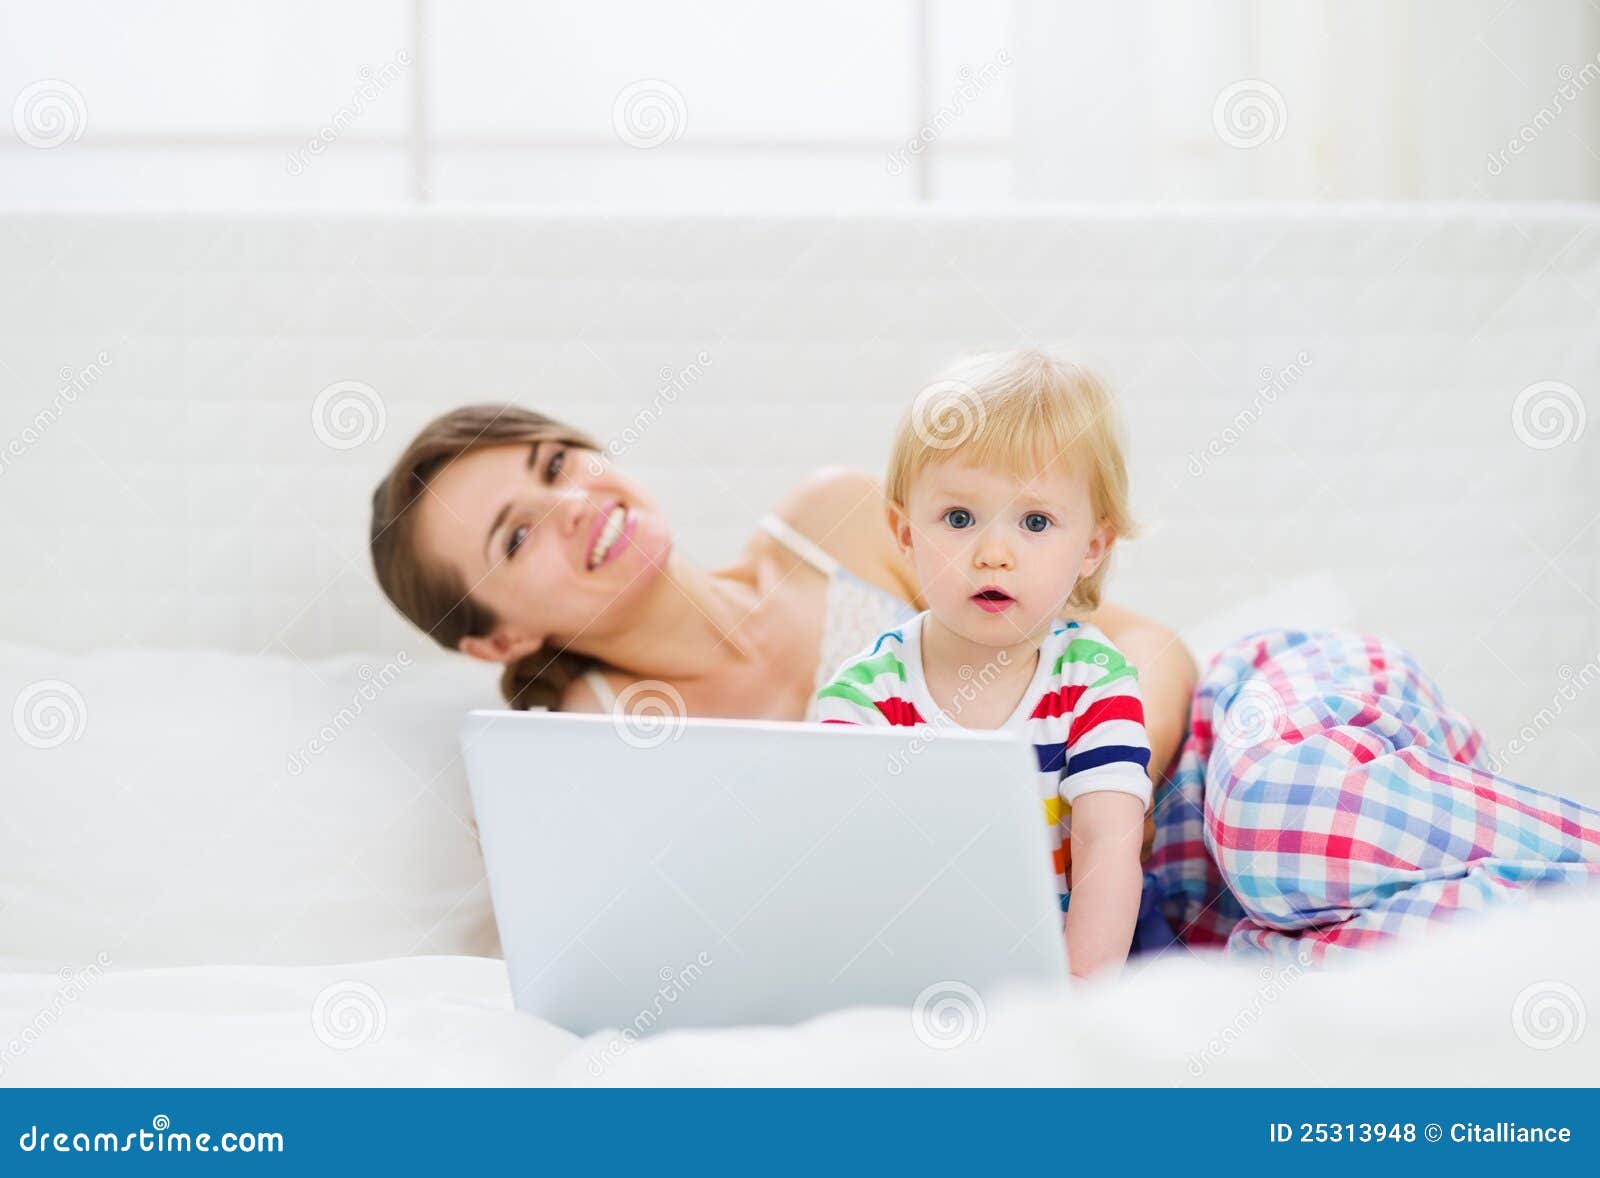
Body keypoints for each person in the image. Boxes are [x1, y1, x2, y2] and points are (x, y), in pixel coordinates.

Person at [813, 350, 1152, 976]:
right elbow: (847, 867)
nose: (993, 553)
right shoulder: (862, 695)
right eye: (960, 518)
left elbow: (1108, 842)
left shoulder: (1095, 683)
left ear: (1092, 547)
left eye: (1035, 521)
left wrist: (1076, 1000)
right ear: (906, 533)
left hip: (1055, 966)